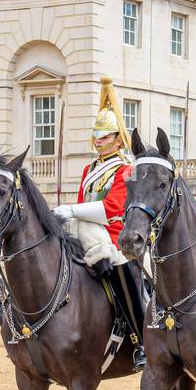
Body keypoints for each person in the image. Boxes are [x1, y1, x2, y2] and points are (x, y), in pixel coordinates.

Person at [54, 76, 148, 369]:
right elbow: (83, 202)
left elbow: (112, 208)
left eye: (105, 136)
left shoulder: (127, 169)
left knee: (121, 271)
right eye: (96, 135)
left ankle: (139, 338)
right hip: (87, 230)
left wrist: (74, 210)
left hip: (117, 233)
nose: (98, 140)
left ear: (119, 139)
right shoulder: (88, 169)